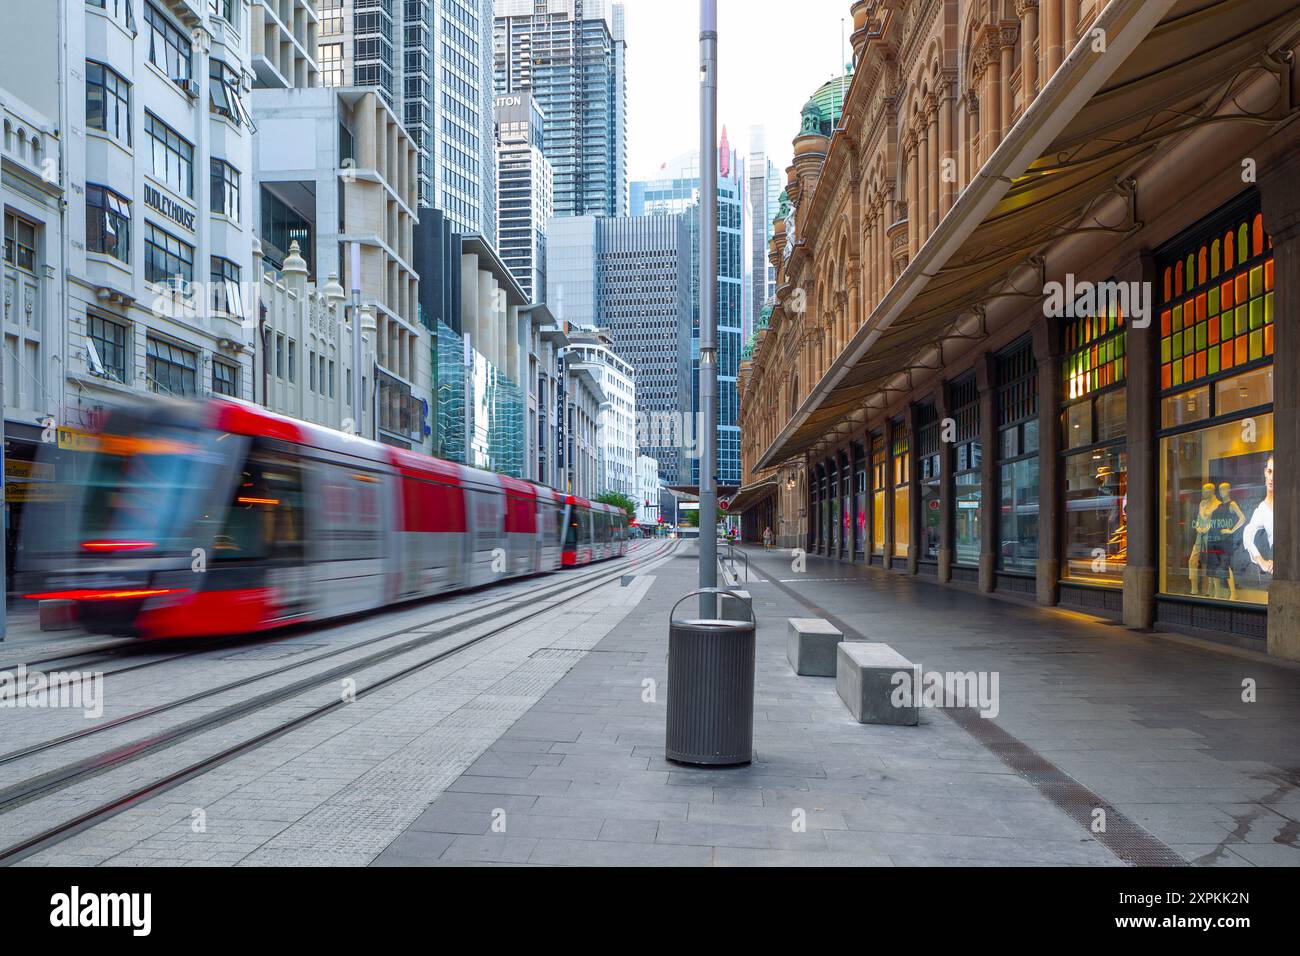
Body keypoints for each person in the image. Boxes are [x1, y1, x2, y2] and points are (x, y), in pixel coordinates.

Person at [1242, 455, 1275, 585]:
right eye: (1270, 471)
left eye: (1276, 473)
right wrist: (1261, 561)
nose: (1272, 478)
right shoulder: (1262, 509)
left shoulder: (1290, 502)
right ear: (1265, 473)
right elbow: (1247, 535)